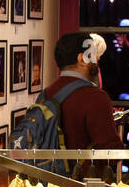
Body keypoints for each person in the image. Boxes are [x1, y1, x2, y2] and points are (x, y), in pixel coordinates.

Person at [42, 32, 124, 177]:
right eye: (94, 54)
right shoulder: (96, 98)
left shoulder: (46, 94)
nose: (98, 58)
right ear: (82, 58)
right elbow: (111, 153)